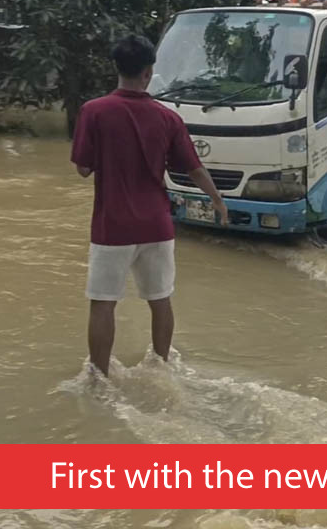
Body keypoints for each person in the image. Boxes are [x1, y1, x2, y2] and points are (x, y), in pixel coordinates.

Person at [71, 35, 228, 377]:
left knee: (102, 304)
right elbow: (194, 167)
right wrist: (217, 200)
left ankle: (98, 379)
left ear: (117, 68)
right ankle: (161, 366)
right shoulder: (167, 118)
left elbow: (83, 169)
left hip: (112, 227)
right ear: (149, 72)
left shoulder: (94, 111)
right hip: (157, 225)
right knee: (160, 300)